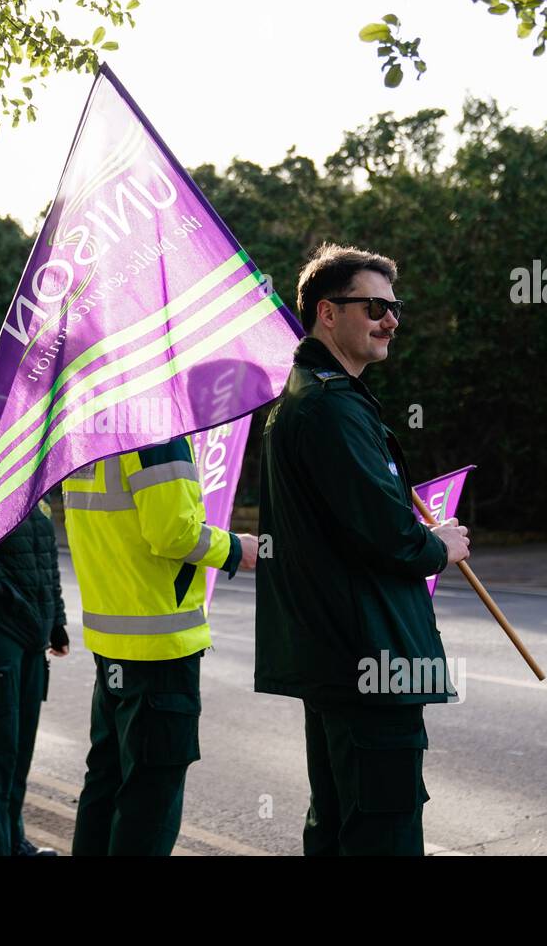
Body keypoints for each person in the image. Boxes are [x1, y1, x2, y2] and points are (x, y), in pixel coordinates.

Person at [255, 242, 471, 856]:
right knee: (383, 830)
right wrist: (439, 546)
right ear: (329, 312)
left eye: (394, 306)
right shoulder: (328, 405)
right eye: (375, 305)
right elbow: (385, 535)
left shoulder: (313, 396)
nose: (391, 320)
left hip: (341, 658)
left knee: (341, 825)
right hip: (367, 658)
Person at [63, 438, 258, 856]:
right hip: (160, 647)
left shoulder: (87, 432)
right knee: (150, 796)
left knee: (106, 781)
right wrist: (236, 548)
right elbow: (173, 533)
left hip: (111, 638)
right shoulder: (159, 433)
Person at [0, 498, 69, 856]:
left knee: (20, 752)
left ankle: (12, 842)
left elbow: (47, 562)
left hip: (32, 638)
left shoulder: (40, 496)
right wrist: (12, 603)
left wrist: (56, 623)